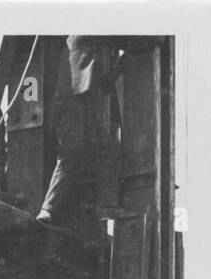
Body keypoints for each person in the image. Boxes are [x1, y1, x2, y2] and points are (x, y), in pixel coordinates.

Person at [36, 36, 161, 226]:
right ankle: (48, 208)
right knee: (72, 152)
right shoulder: (81, 35)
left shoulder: (87, 56)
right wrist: (149, 41)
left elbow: (101, 86)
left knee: (106, 150)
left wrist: (119, 68)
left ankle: (106, 205)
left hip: (82, 101)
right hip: (74, 101)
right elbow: (114, 37)